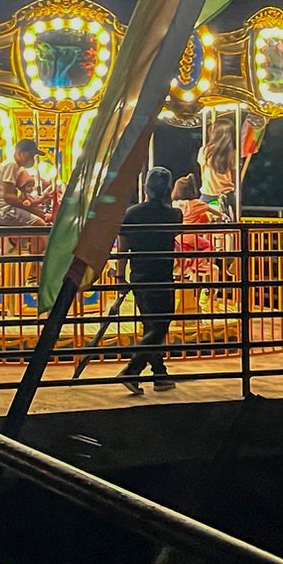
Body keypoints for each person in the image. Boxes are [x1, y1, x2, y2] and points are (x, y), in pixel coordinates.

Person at [116, 167, 183, 395]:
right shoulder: (174, 215)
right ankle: (133, 370)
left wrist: (120, 275)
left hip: (140, 274)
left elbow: (123, 249)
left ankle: (159, 374)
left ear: (146, 187)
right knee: (160, 325)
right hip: (162, 274)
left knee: (152, 326)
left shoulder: (132, 214)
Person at [0, 138, 53, 227]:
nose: (32, 159)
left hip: (7, 209)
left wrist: (40, 200)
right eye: (30, 156)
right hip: (4, 210)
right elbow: (8, 196)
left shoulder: (17, 168)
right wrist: (31, 209)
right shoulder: (11, 165)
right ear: (20, 153)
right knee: (39, 224)